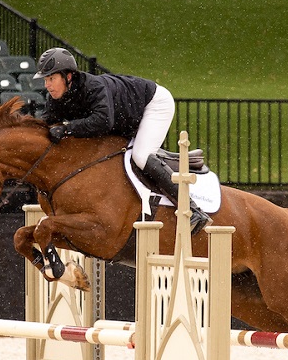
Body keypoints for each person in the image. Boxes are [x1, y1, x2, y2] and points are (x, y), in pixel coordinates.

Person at [33, 47, 211, 233]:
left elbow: (103, 121)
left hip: (154, 104)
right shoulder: (56, 99)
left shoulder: (93, 88)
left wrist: (67, 128)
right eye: (45, 80)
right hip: (127, 118)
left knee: (141, 156)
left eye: (51, 79)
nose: (47, 85)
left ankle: (193, 209)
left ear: (68, 76)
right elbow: (46, 126)